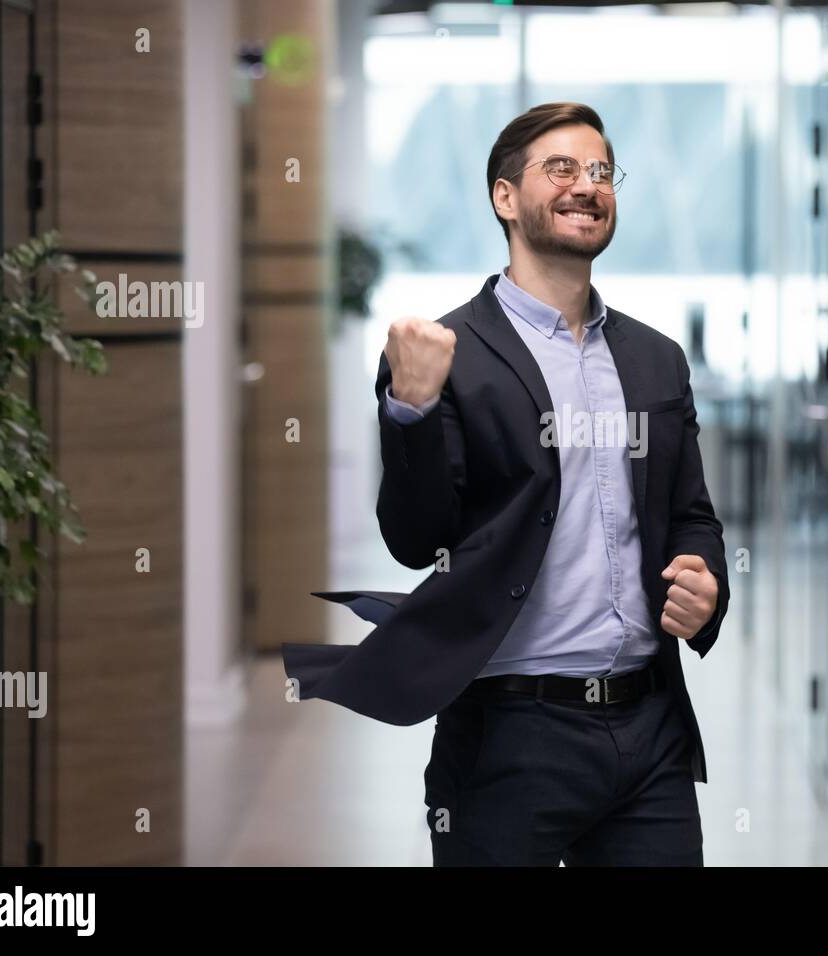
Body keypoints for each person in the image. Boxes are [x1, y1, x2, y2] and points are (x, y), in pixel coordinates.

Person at [285, 101, 729, 866]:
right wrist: (412, 410)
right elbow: (416, 538)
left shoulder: (658, 361)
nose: (587, 185)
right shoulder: (448, 353)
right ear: (505, 197)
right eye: (562, 168)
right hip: (508, 738)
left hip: (649, 730)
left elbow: (691, 515)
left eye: (600, 171)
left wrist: (705, 578)